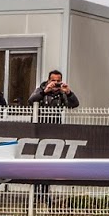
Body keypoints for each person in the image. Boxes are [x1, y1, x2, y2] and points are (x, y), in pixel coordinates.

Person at [27, 70, 80, 208]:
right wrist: (45, 91)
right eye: (53, 80)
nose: (56, 83)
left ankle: (45, 194)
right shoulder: (42, 89)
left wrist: (68, 92)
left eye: (58, 80)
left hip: (55, 130)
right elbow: (31, 100)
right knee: (38, 164)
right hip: (39, 130)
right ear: (48, 80)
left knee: (49, 164)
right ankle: (36, 194)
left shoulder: (61, 93)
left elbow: (74, 104)